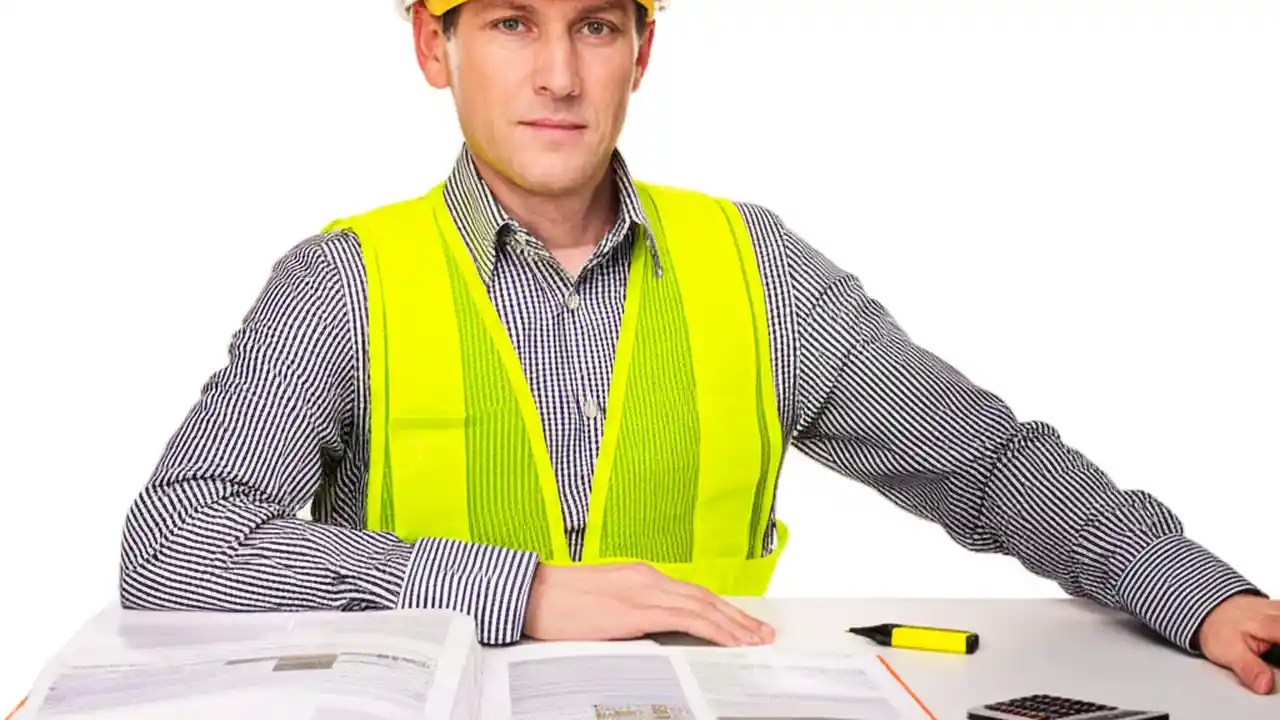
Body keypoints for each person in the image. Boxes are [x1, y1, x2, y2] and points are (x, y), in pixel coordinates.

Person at [117, 0, 1278, 695]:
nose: (560, 75)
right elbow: (173, 550)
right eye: (512, 21)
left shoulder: (752, 265)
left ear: (642, 50)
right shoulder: (345, 284)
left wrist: (1198, 597)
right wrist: (515, 594)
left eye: (596, 25)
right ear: (435, 45)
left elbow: (982, 464)